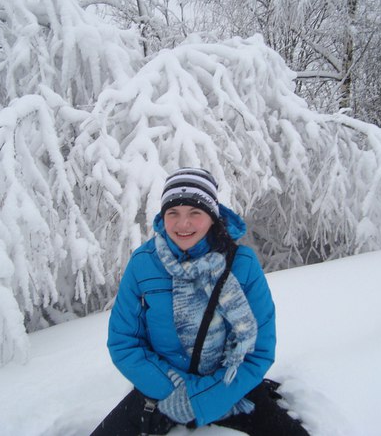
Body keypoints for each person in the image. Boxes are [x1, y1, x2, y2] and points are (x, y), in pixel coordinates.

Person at [91, 168, 309, 436]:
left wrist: (203, 398)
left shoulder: (242, 264)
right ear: (163, 216)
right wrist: (175, 392)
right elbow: (124, 342)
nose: (183, 224)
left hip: (228, 388)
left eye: (195, 212)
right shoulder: (143, 264)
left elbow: (259, 349)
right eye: (173, 213)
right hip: (161, 388)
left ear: (213, 216)